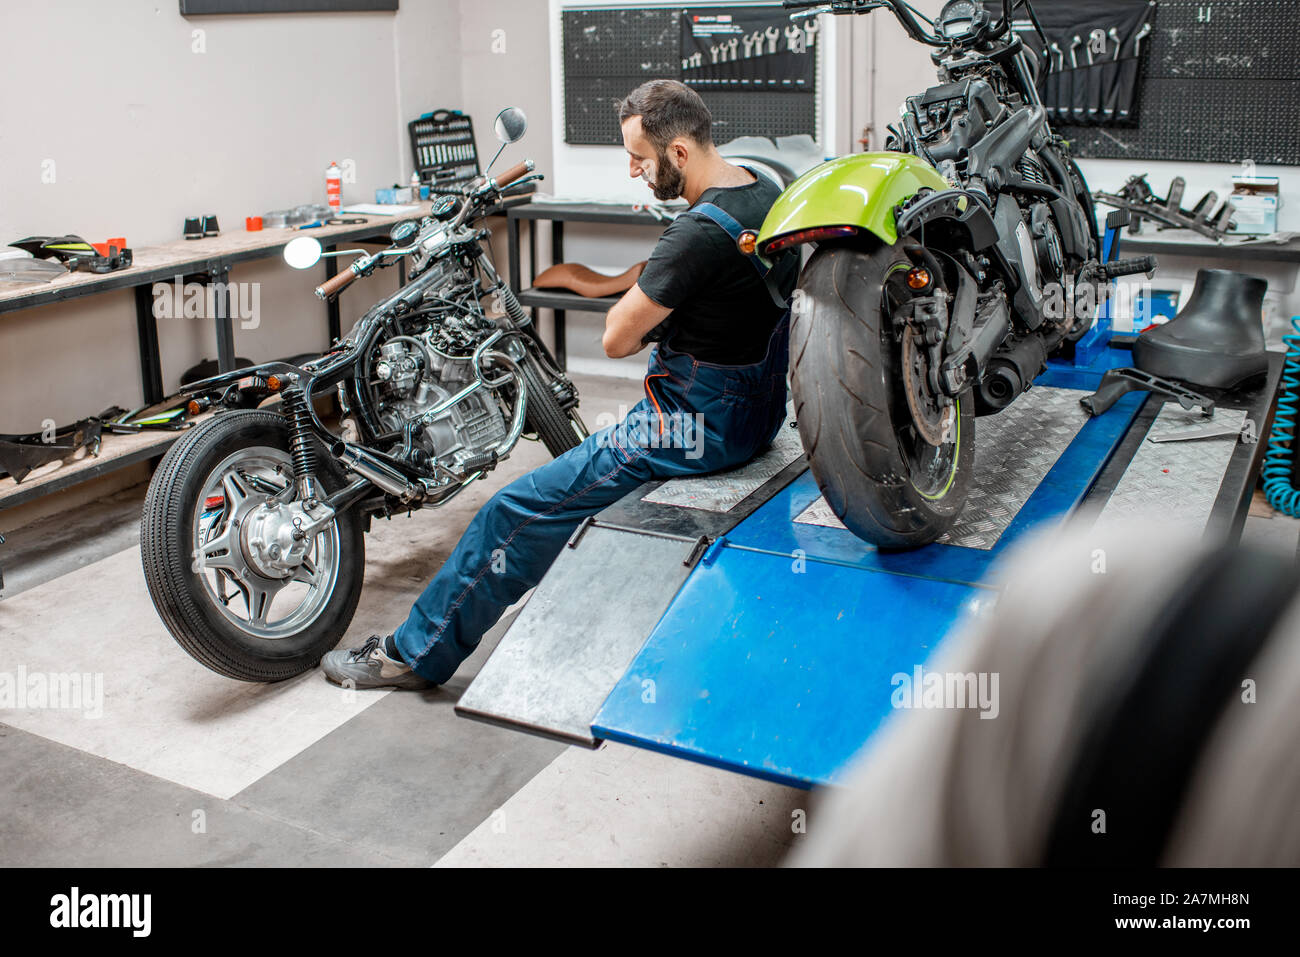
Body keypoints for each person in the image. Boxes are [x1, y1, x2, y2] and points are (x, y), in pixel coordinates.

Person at [322, 79, 798, 690]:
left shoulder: (695, 234)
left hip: (689, 428)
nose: (633, 171)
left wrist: (662, 299)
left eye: (640, 158)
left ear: (679, 153)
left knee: (510, 512)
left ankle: (412, 655)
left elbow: (617, 341)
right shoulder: (768, 191)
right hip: (759, 414)